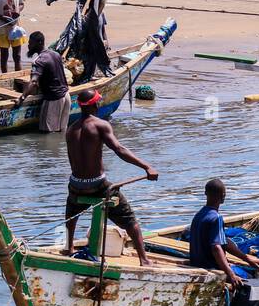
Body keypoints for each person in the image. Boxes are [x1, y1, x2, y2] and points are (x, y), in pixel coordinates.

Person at [64, 88, 158, 266]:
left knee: (71, 212)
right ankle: (144, 260)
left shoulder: (71, 129)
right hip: (98, 187)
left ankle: (69, 247)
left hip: (76, 185)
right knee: (131, 221)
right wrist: (147, 166)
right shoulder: (101, 125)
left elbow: (71, 161)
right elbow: (119, 150)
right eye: (98, 102)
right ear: (95, 105)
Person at [187, 179, 259, 288]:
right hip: (212, 268)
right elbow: (216, 247)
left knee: (245, 268)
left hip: (196, 264)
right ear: (223, 196)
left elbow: (224, 242)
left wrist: (248, 259)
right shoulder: (216, 218)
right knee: (252, 276)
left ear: (206, 193)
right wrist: (230, 274)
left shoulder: (198, 215)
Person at [15, 31, 70, 133]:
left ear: (39, 43)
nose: (29, 45)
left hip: (54, 99)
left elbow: (34, 82)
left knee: (48, 133)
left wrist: (22, 98)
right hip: (66, 96)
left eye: (31, 43)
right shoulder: (56, 54)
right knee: (61, 132)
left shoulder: (39, 61)